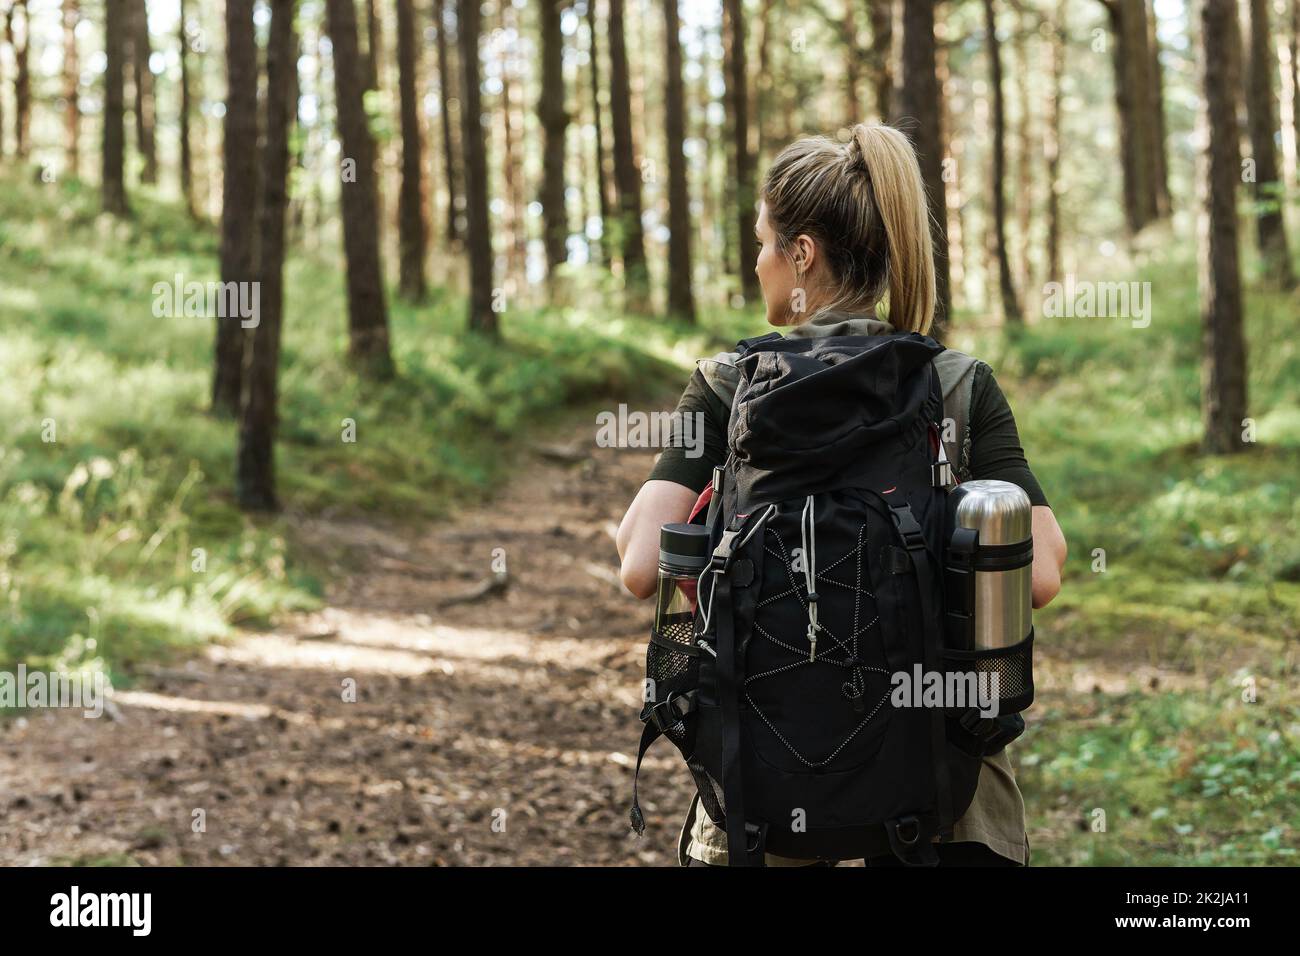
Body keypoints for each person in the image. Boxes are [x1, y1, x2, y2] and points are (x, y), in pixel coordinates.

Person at [615, 123, 1068, 867]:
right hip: (943, 783)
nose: (756, 260)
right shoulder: (955, 385)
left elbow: (640, 567)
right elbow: (1042, 573)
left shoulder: (727, 387)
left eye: (764, 241)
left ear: (802, 254)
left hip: (763, 781)